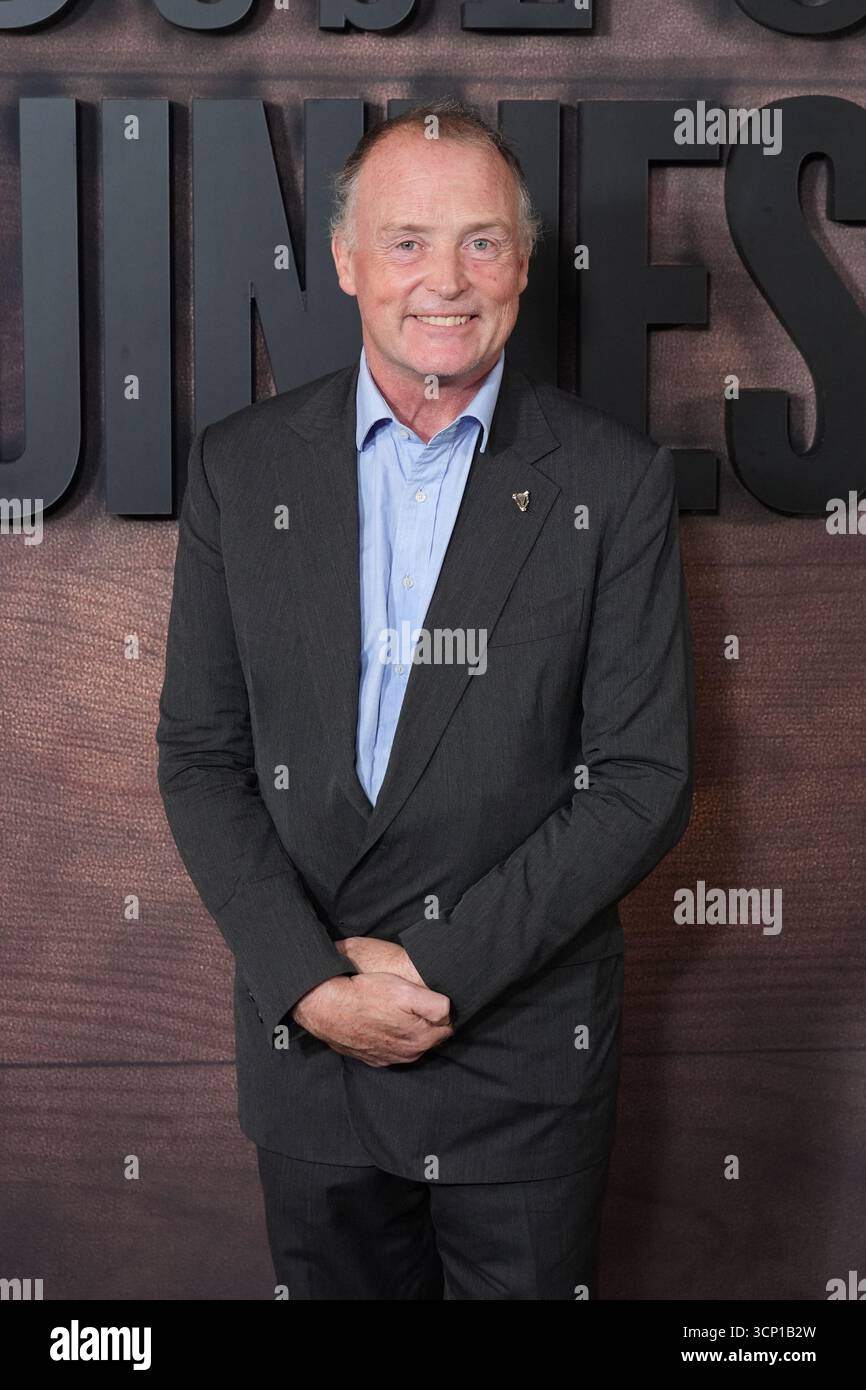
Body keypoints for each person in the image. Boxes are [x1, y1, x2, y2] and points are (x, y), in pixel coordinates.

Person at [156, 97, 695, 1300]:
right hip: (309, 1060)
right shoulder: (242, 472)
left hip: (517, 1062)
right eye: (406, 241)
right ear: (345, 262)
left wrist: (423, 970)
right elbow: (200, 755)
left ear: (522, 262)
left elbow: (640, 780)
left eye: (481, 241)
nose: (443, 280)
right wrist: (310, 982)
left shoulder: (609, 484)